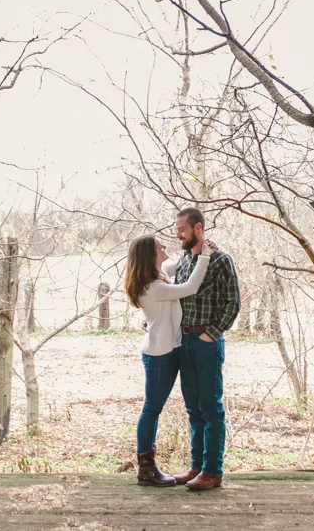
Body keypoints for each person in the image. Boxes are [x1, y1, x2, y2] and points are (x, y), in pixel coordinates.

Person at [123, 233, 216, 486]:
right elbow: (189, 288)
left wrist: (195, 248)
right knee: (151, 409)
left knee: (153, 409)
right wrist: (205, 258)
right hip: (159, 355)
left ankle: (148, 468)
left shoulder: (158, 274)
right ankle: (146, 469)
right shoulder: (152, 287)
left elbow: (182, 265)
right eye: (158, 247)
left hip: (169, 349)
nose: (164, 248)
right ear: (148, 256)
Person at [171, 207, 240, 491]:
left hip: (206, 344)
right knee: (192, 408)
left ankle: (213, 471)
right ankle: (196, 466)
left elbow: (232, 303)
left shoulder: (221, 260)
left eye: (182, 230)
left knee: (210, 407)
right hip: (183, 342)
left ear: (198, 228)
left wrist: (212, 334)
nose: (178, 235)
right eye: (177, 230)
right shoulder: (185, 262)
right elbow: (176, 297)